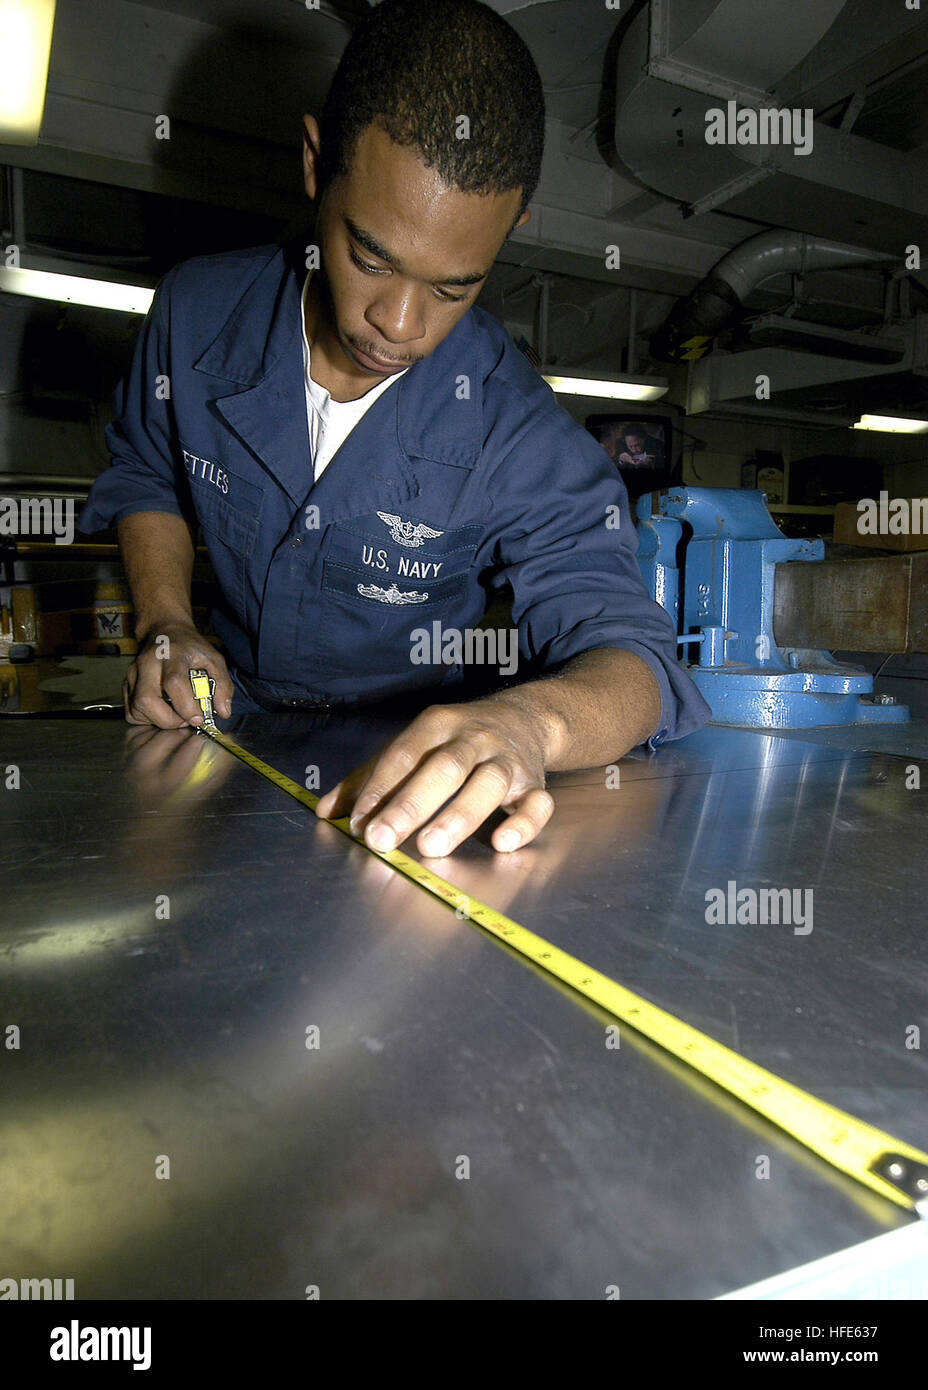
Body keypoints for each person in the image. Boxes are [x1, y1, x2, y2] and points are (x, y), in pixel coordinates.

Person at [78, 0, 709, 858]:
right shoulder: (194, 314)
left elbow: (636, 660)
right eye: (370, 256)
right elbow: (149, 472)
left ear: (510, 232)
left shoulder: (520, 430)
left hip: (406, 769)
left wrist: (531, 723)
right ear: (315, 165)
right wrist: (167, 622)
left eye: (454, 287)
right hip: (222, 736)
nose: (400, 324)